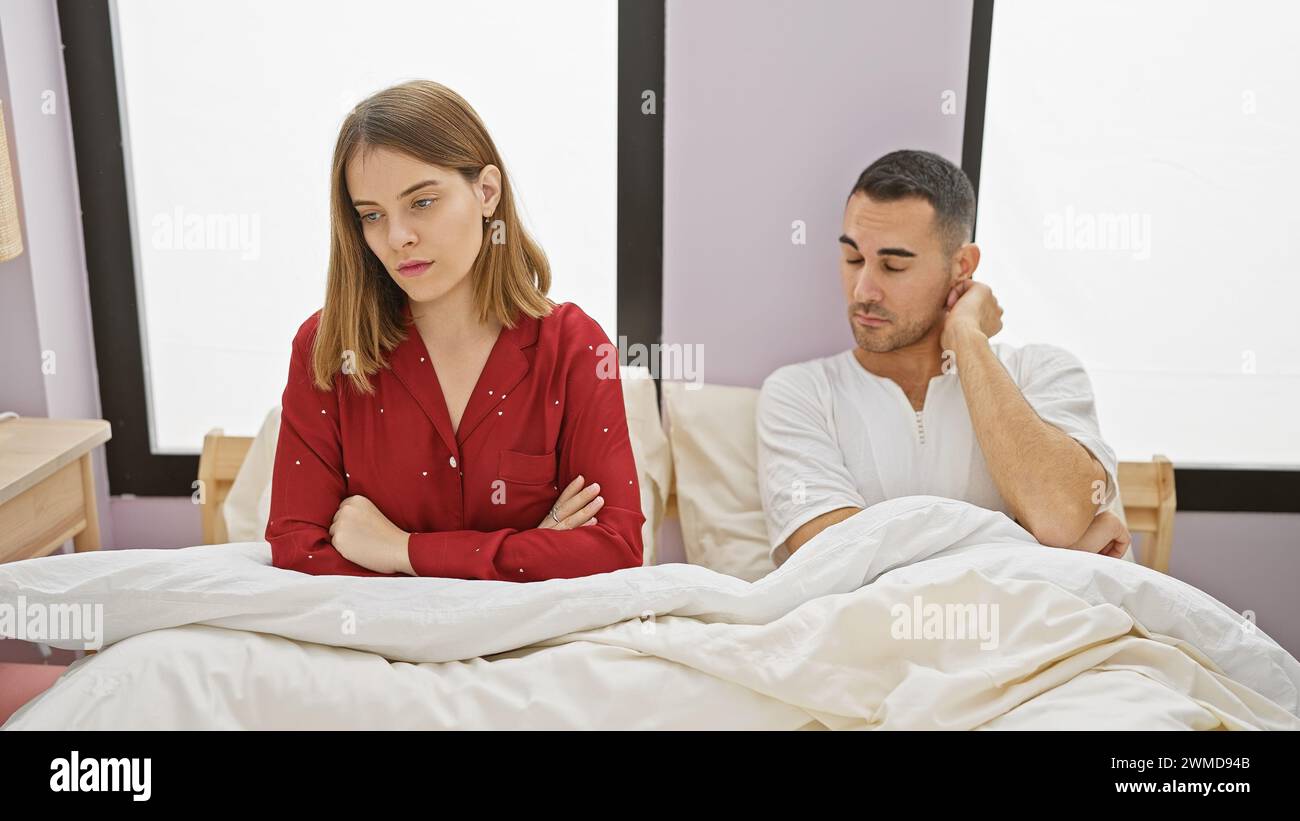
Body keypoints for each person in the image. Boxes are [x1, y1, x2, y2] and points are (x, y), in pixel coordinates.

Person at [265, 80, 644, 580]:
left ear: (486, 192)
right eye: (372, 215)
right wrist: (531, 549)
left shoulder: (574, 347)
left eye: (421, 202)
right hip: (374, 652)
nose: (398, 237)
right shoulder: (326, 349)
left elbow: (615, 548)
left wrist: (403, 551)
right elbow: (298, 550)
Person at [757, 149, 1131, 568]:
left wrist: (968, 338)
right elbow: (831, 560)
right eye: (853, 259)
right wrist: (1037, 552)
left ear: (962, 267)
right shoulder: (800, 392)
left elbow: (1058, 516)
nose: (863, 290)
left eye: (893, 266)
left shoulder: (1044, 372)